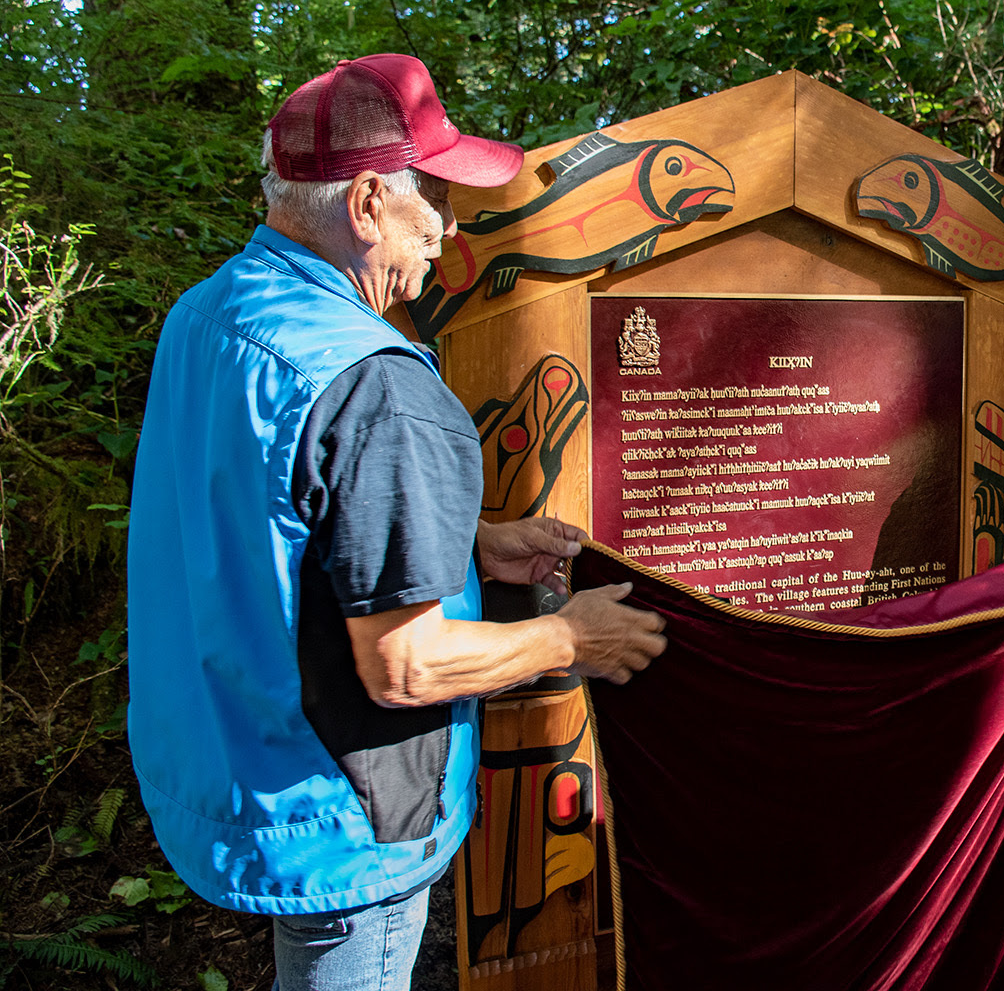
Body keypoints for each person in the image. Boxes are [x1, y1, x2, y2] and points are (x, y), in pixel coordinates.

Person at [126, 54, 669, 991]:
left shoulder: (209, 314)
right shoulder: (377, 387)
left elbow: (269, 508)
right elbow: (405, 666)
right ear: (369, 202)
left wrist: (469, 545)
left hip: (227, 753)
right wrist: (569, 638)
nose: (449, 229)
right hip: (340, 815)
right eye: (438, 200)